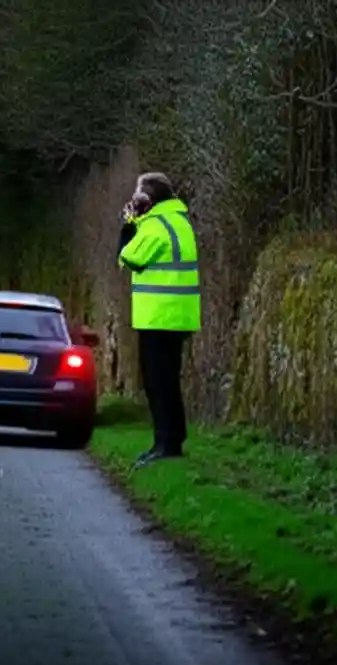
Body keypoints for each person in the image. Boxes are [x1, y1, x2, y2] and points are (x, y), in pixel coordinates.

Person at [117, 172, 200, 466]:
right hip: (179, 314)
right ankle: (172, 440)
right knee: (168, 381)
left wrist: (129, 224)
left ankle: (164, 443)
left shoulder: (154, 227)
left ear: (147, 200)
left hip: (158, 315)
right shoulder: (178, 220)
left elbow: (129, 257)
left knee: (156, 383)